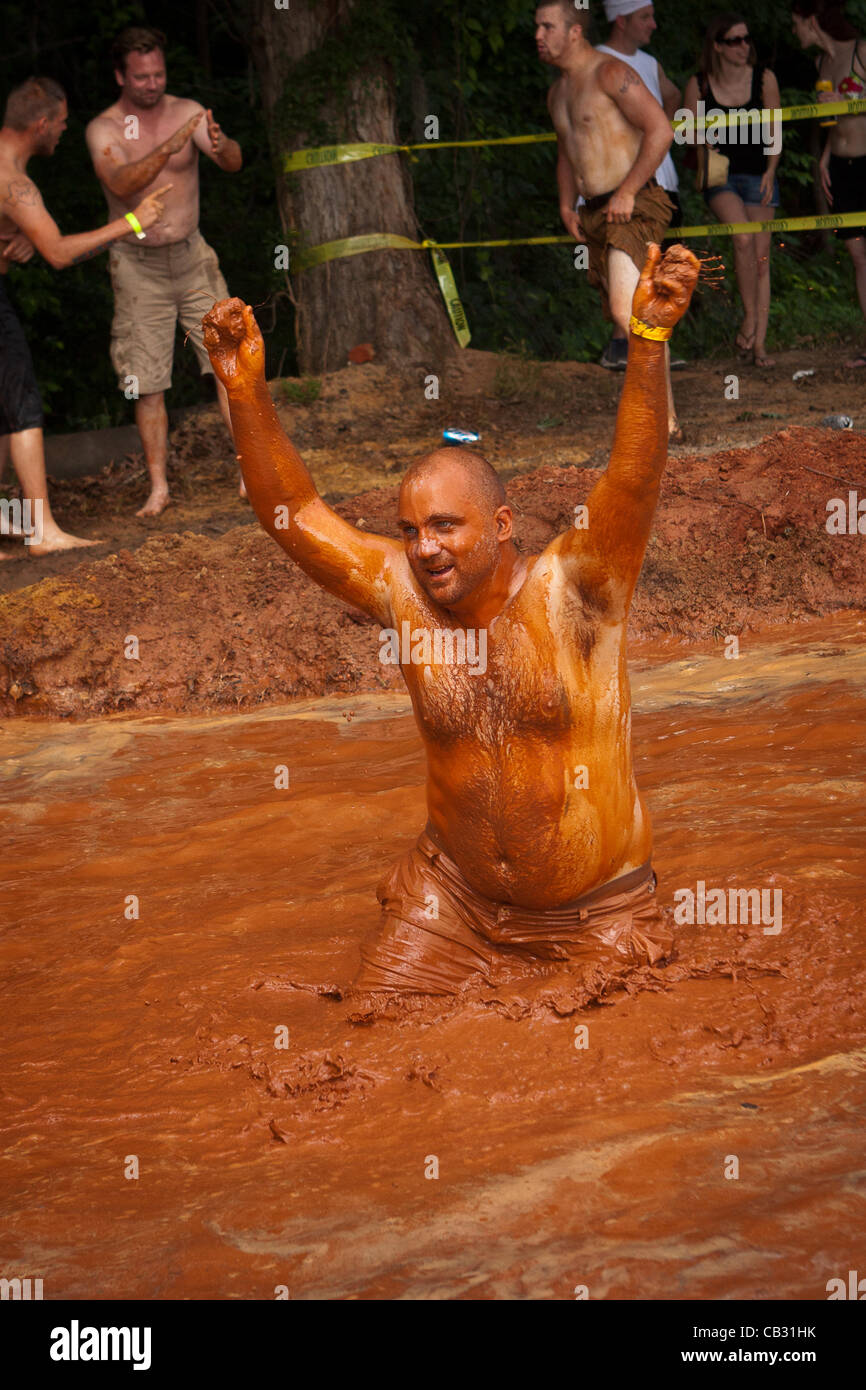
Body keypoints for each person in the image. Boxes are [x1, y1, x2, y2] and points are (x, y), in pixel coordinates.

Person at [201, 241, 700, 997]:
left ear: (500, 525)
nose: (423, 548)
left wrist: (649, 342)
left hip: (597, 915)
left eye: (443, 526)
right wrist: (244, 392)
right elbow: (293, 513)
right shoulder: (400, 591)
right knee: (370, 1049)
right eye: (409, 530)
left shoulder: (580, 588)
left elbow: (632, 481)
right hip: (454, 904)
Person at [0, 76, 167, 556]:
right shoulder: (16, 183)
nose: (65, 131)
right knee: (22, 406)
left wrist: (19, 240)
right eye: (63, 123)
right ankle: (42, 531)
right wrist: (133, 222)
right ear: (41, 124)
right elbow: (58, 253)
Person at [86, 26, 243, 517]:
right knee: (146, 380)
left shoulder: (187, 111)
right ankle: (159, 487)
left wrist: (220, 143)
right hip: (137, 265)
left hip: (193, 255)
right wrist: (171, 145)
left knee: (228, 363)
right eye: (141, 77)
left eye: (158, 74)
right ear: (120, 76)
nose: (152, 84)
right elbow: (122, 180)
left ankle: (249, 472)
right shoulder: (104, 129)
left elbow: (233, 163)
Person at [535, 1, 681, 439]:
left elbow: (661, 129)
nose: (538, 35)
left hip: (636, 204)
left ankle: (660, 420)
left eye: (547, 26)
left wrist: (628, 189)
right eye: (537, 27)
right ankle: (668, 420)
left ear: (575, 32)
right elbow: (568, 149)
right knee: (634, 315)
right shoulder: (558, 91)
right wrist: (566, 204)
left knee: (627, 309)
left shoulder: (611, 73)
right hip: (596, 211)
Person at [683, 15, 782, 367]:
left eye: (747, 39)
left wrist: (772, 169)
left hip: (759, 173)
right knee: (742, 238)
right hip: (721, 175)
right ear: (717, 46)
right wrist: (701, 142)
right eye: (735, 40)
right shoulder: (699, 85)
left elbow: (774, 128)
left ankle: (759, 347)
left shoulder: (764, 79)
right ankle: (750, 320)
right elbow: (687, 132)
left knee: (761, 256)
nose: (744, 46)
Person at [596, 0, 688, 369]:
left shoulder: (650, 63)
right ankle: (624, 346)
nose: (653, 24)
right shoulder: (598, 63)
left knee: (661, 267)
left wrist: (655, 127)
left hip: (661, 178)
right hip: (622, 182)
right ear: (621, 20)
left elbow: (674, 95)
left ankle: (653, 346)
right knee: (626, 262)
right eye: (645, 17)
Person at [792, 0, 866, 368]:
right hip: (840, 165)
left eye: (796, 23)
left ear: (811, 20)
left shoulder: (861, 52)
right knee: (857, 256)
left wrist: (851, 100)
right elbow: (831, 120)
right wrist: (824, 157)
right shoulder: (820, 64)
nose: (794, 31)